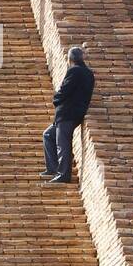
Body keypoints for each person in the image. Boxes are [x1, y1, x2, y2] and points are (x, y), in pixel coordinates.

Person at [43, 46, 94, 184]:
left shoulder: (74, 71)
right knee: (48, 135)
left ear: (70, 59)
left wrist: (56, 100)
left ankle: (63, 175)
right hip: (75, 113)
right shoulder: (88, 73)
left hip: (67, 114)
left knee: (63, 145)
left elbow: (64, 90)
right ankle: (53, 168)